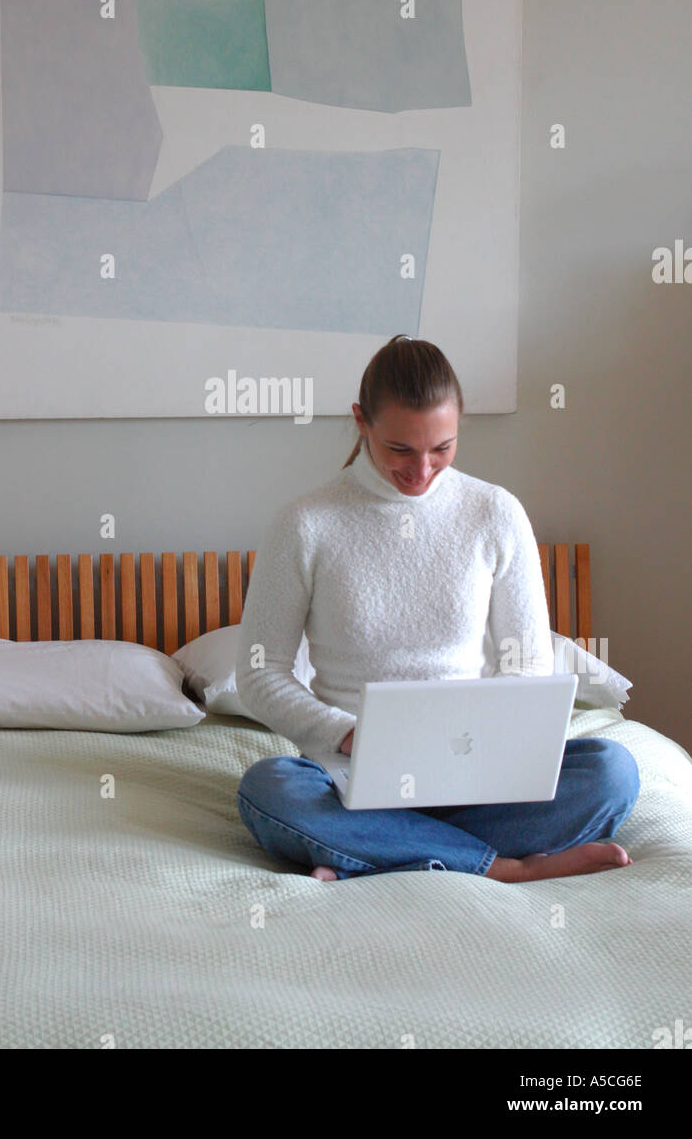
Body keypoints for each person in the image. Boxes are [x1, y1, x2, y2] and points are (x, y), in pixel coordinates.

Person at [234, 335, 640, 882]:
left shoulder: (495, 512)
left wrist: (487, 742)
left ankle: (377, 854)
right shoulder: (307, 523)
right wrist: (350, 735)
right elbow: (261, 672)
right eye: (400, 449)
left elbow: (526, 661)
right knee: (269, 789)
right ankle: (502, 867)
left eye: (442, 448)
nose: (422, 471)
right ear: (361, 421)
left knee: (613, 771)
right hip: (352, 781)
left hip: (479, 776)